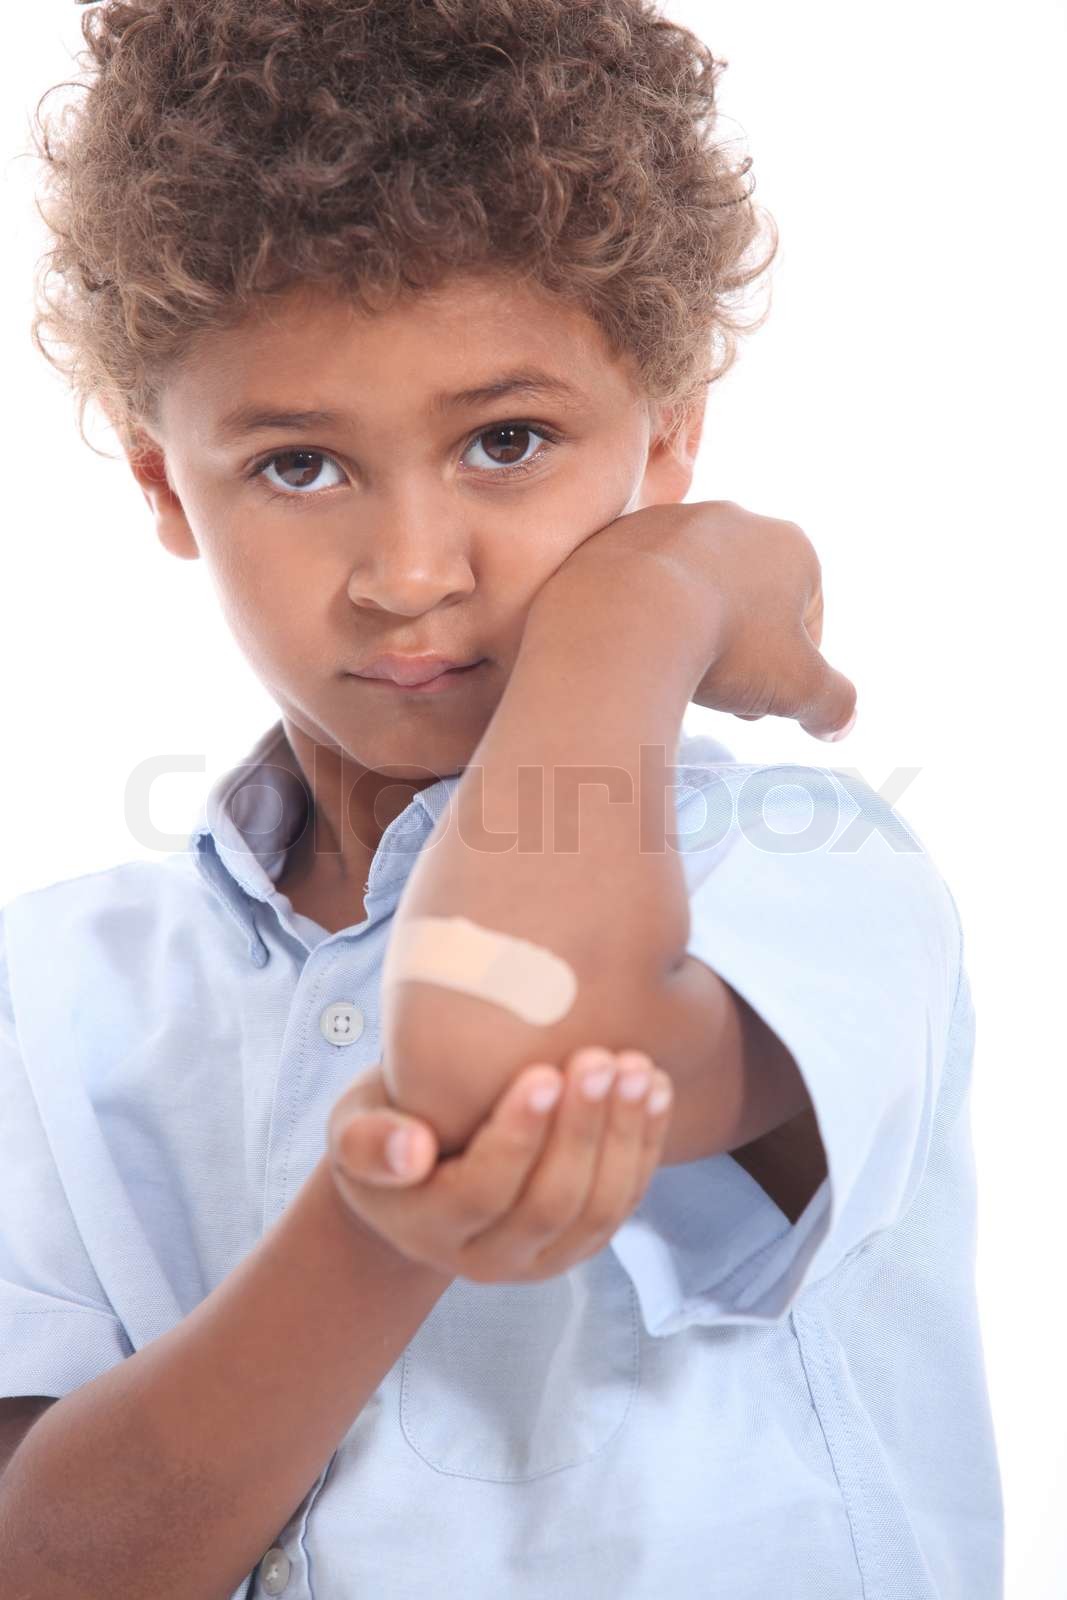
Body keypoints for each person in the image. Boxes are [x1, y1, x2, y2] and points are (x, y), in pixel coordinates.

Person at [0, 2, 1003, 1596]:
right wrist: (402, 1208)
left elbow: (500, 1038)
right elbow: (54, 1563)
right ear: (157, 484)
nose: (411, 576)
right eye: (300, 466)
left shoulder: (807, 871)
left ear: (666, 438)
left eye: (509, 441)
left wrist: (631, 616)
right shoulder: (51, 993)